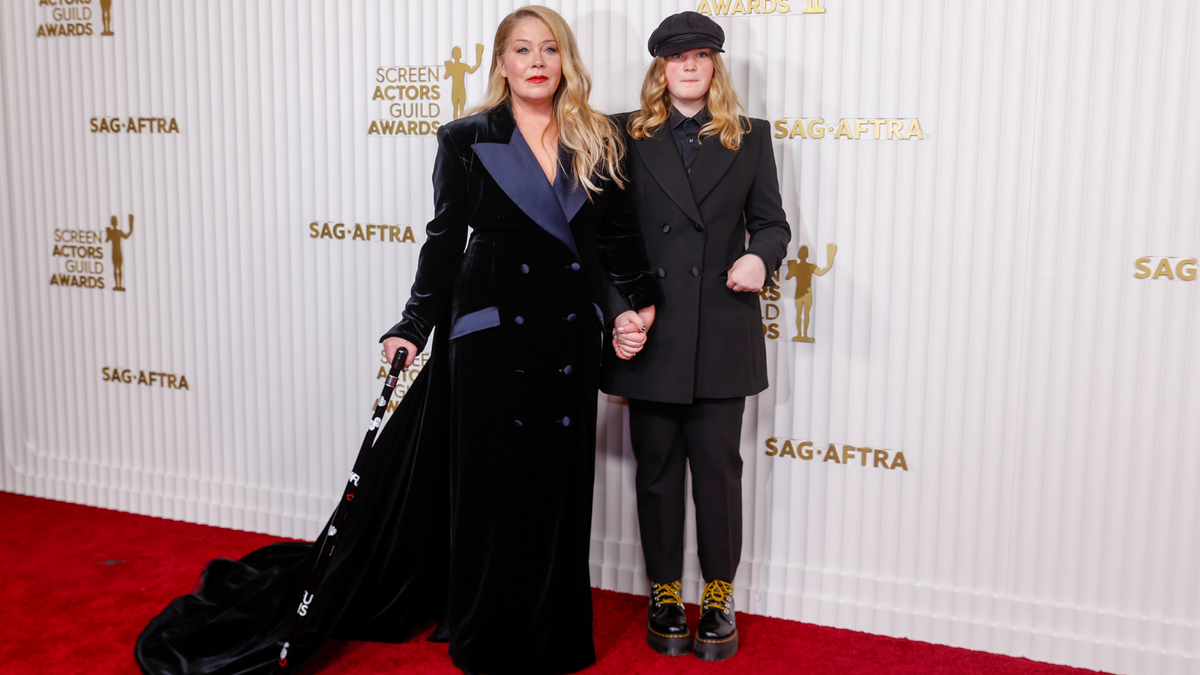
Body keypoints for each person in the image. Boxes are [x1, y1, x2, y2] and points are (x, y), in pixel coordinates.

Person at [134, 7, 660, 675]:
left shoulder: (601, 137)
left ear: (565, 61)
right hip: (492, 339)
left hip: (564, 341)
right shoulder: (466, 137)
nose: (536, 61)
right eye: (521, 49)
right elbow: (444, 241)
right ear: (499, 62)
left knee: (556, 490)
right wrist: (413, 324)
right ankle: (488, 635)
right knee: (492, 492)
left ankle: (554, 633)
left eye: (549, 49)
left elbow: (617, 239)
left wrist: (637, 305)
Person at [601, 11, 791, 663]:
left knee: (717, 471)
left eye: (701, 55)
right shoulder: (620, 134)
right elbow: (608, 236)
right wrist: (622, 311)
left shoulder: (752, 137)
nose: (689, 66)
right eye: (677, 57)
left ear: (715, 65)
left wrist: (760, 258)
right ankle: (662, 593)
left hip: (721, 331)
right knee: (655, 474)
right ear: (661, 68)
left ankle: (716, 596)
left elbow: (772, 224)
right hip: (651, 330)